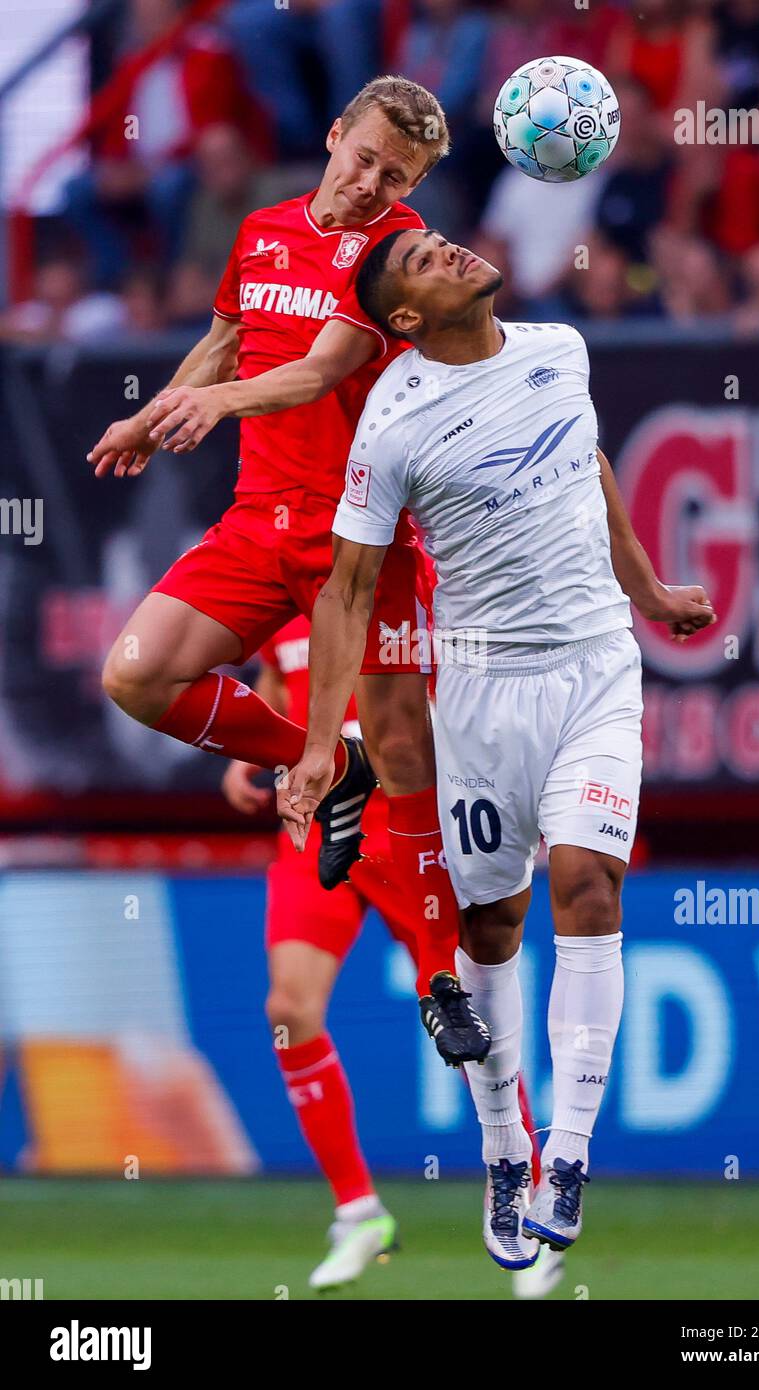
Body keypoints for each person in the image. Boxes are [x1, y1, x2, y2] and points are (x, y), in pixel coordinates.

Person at [281, 227, 716, 1271]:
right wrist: (312, 744)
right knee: (489, 923)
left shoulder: (558, 348)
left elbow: (587, 460)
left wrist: (646, 587)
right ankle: (501, 1149)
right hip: (477, 690)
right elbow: (345, 590)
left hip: (594, 668)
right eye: (421, 263)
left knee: (588, 883)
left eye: (439, 241)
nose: (448, 251)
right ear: (401, 322)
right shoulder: (389, 423)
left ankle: (566, 1149)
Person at [88, 78, 490, 1069]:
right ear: (331, 135)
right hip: (258, 524)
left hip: (362, 537)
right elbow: (226, 335)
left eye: (393, 176)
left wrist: (216, 405)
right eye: (361, 160)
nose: (368, 186)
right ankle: (319, 763)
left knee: (406, 764)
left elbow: (315, 370)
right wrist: (153, 412)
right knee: (134, 675)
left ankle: (440, 977)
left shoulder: (396, 250)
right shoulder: (263, 228)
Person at [224, 615, 561, 1296]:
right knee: (289, 1007)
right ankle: (357, 1211)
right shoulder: (286, 576)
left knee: (461, 1009)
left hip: (415, 827)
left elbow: (491, 689)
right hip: (318, 828)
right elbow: (277, 673)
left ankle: (530, 1195)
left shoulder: (421, 577)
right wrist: (249, 751)